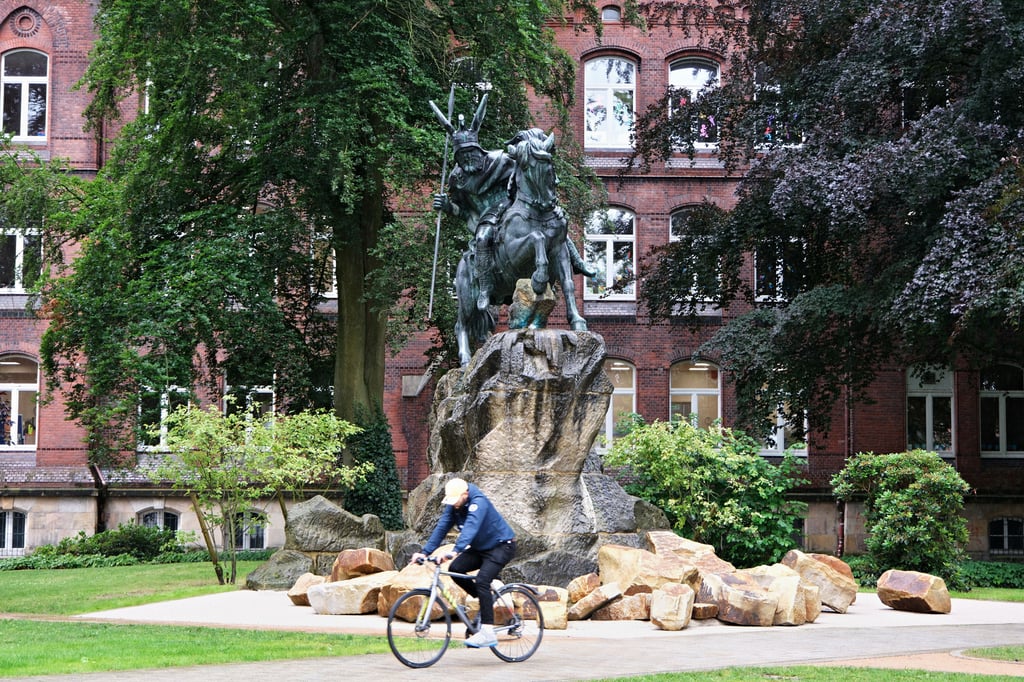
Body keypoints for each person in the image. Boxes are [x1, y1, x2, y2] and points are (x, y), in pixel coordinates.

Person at [410, 477, 516, 649]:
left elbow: (471, 528)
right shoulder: (455, 505)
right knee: (456, 568)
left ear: (465, 494)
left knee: (482, 580)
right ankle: (485, 602)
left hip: (501, 546)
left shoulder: (478, 502)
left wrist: (455, 550)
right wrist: (424, 552)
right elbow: (441, 528)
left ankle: (488, 632)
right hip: (480, 548)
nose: (454, 505)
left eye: (456, 501)